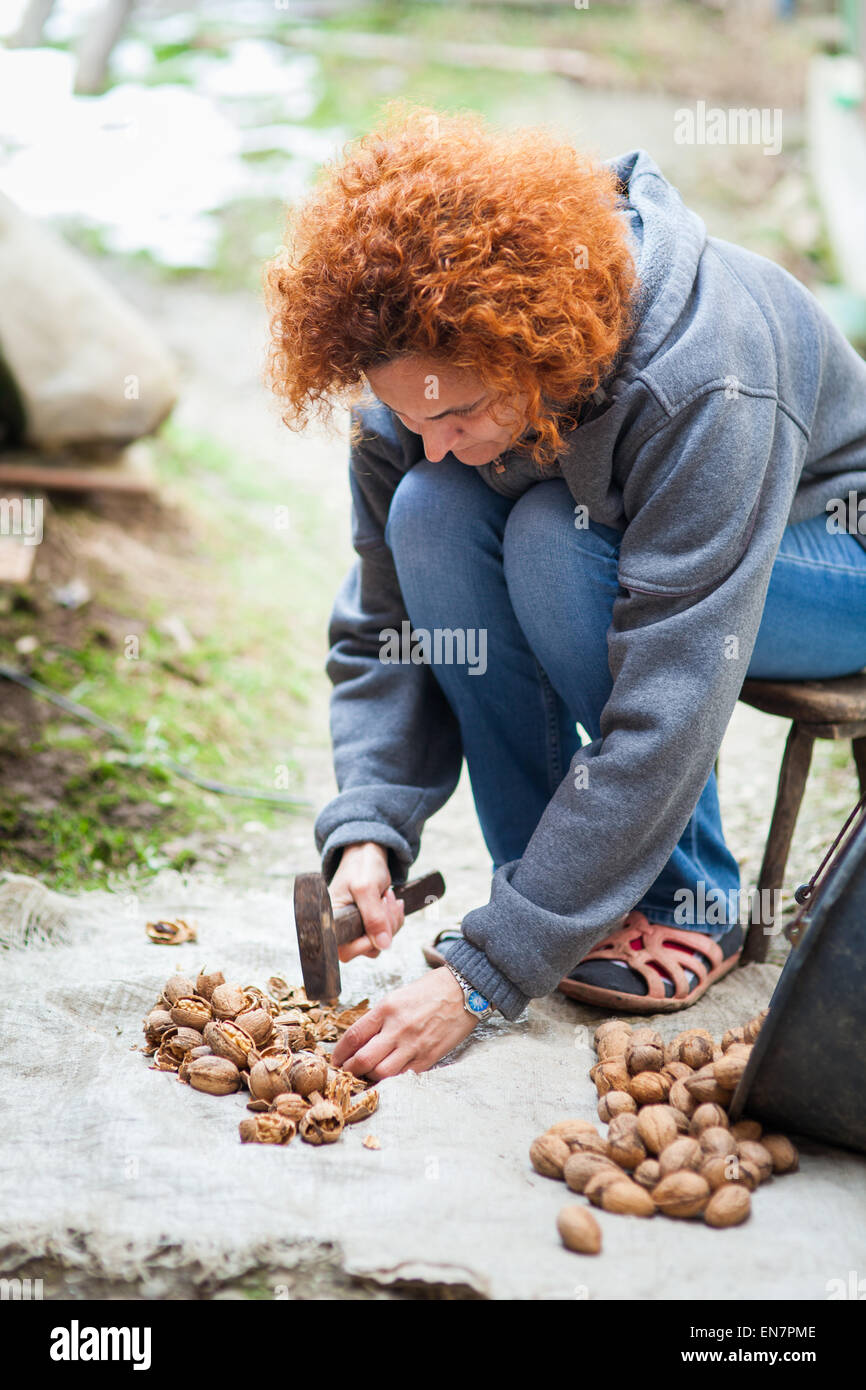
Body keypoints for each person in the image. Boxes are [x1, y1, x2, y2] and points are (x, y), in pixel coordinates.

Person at [264, 104, 866, 1081]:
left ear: (532, 350)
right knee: (428, 509)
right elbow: (390, 632)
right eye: (408, 411)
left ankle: (686, 900)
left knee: (555, 542)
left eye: (457, 411)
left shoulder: (700, 376)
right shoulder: (418, 396)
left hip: (834, 546)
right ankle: (552, 898)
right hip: (648, 533)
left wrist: (480, 979)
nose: (430, 438)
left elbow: (669, 701)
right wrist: (369, 829)